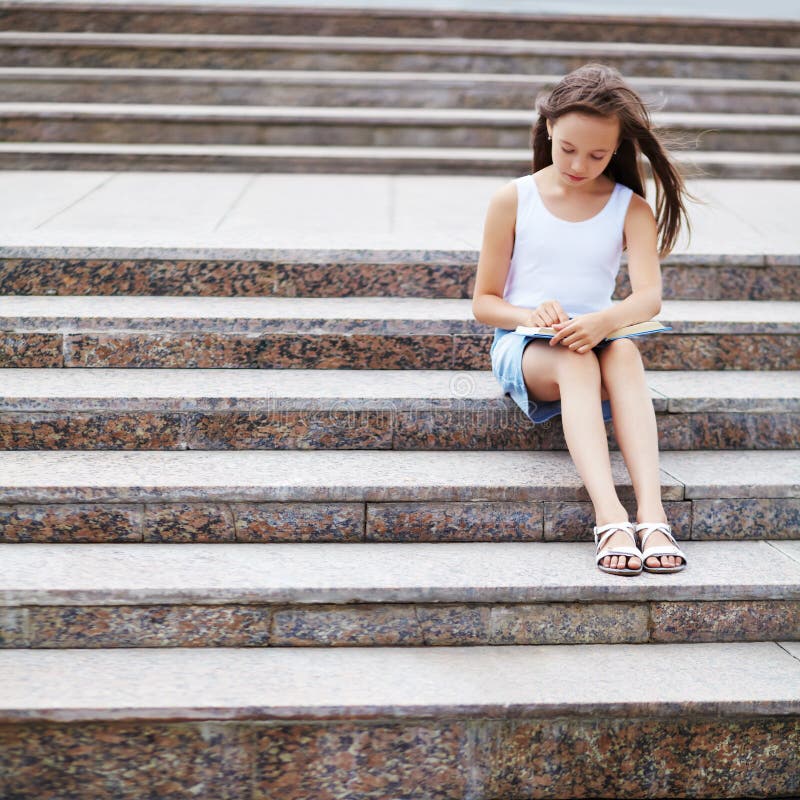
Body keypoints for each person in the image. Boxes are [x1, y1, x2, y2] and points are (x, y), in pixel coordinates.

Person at [472, 63, 694, 576]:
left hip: (599, 338)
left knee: (625, 350)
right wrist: (532, 314)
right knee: (575, 363)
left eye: (597, 155)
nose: (579, 163)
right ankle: (610, 515)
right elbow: (484, 301)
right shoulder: (514, 198)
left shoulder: (630, 207)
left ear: (617, 149)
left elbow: (648, 299)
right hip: (528, 348)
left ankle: (653, 514)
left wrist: (602, 322)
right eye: (568, 148)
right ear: (548, 127)